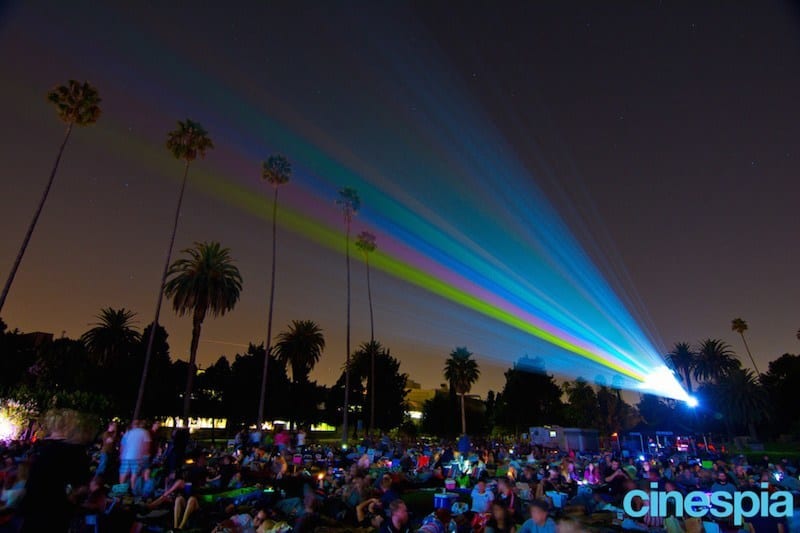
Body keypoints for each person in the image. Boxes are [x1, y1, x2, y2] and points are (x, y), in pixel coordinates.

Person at [119, 420, 151, 493]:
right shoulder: (144, 432)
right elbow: (147, 446)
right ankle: (133, 492)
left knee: (123, 474)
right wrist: (145, 457)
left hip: (125, 457)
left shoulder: (128, 433)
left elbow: (122, 445)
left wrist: (121, 455)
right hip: (137, 457)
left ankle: (121, 492)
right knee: (134, 475)